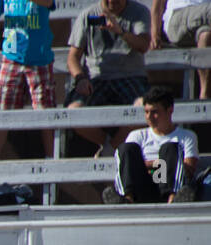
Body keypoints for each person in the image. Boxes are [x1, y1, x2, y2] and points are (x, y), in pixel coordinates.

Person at [66, 0, 151, 153]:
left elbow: (143, 45)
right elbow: (73, 57)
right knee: (73, 111)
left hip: (130, 76)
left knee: (145, 108)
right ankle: (110, 145)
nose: (113, 2)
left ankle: (109, 150)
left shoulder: (139, 12)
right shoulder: (87, 15)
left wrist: (121, 32)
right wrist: (80, 78)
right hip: (96, 77)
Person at [0, 0, 56, 160]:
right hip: (11, 57)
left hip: (39, 58)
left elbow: (49, 3)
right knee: (3, 108)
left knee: (45, 109)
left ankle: (51, 156)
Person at [105, 85, 200, 202]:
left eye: (155, 112)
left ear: (169, 110)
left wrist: (152, 166)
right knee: (126, 148)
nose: (149, 117)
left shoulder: (187, 136)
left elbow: (188, 169)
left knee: (170, 148)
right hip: (143, 185)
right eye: (146, 112)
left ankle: (173, 199)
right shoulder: (137, 135)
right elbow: (128, 165)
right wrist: (162, 164)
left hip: (166, 183)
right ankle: (127, 200)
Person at [150, 0, 211, 99]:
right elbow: (157, 4)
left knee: (206, 37)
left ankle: (205, 94)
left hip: (204, 21)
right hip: (179, 16)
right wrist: (154, 35)